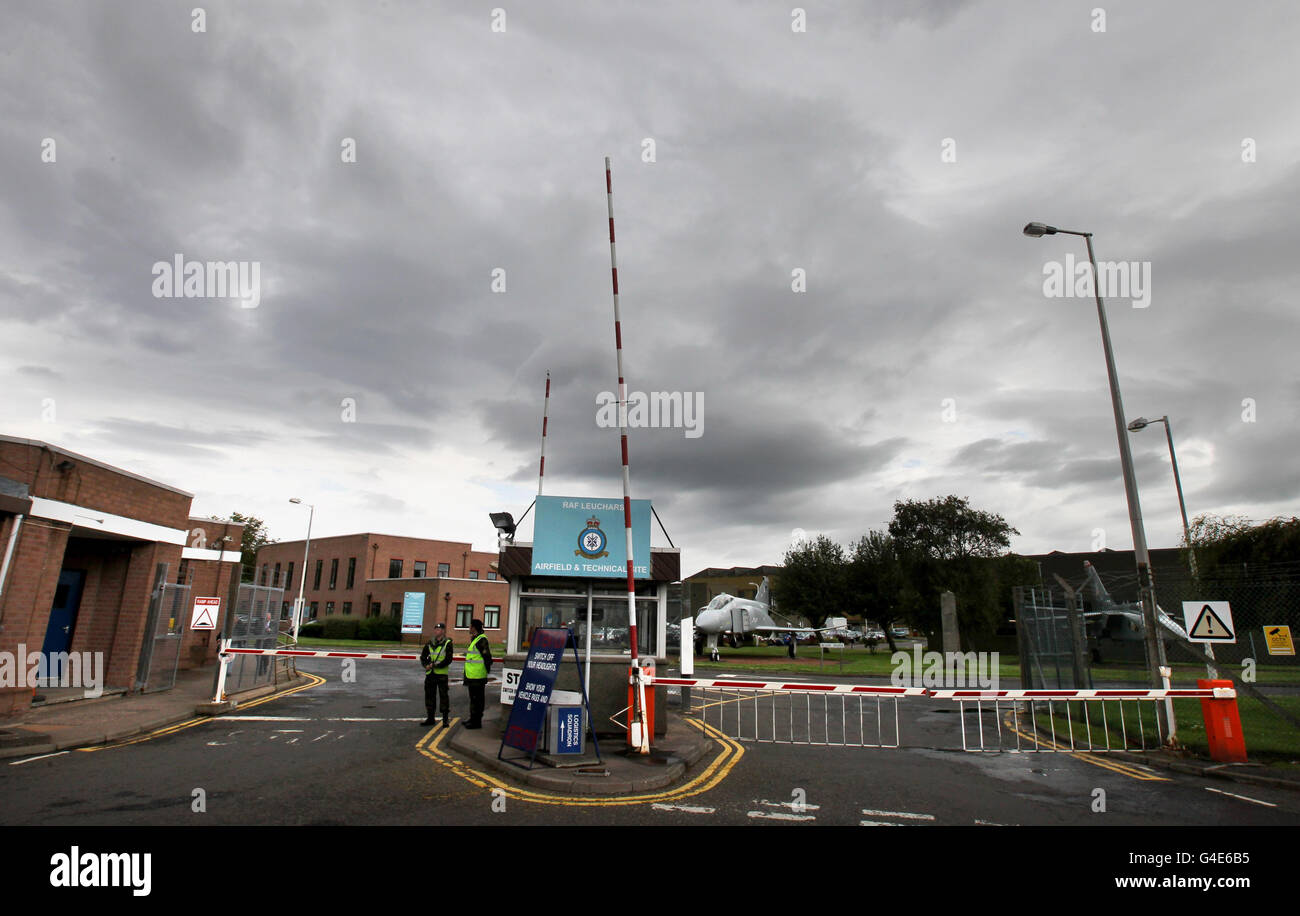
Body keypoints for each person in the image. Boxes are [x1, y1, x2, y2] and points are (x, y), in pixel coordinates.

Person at [420, 622, 453, 727]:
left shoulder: (448, 643)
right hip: (430, 674)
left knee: (444, 697)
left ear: (443, 631)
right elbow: (423, 656)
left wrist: (437, 665)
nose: (436, 631)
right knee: (429, 696)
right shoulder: (430, 643)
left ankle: (445, 719)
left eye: (439, 629)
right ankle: (430, 718)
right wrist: (426, 665)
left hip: (441, 674)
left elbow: (448, 659)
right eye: (436, 629)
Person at [462, 618, 492, 729]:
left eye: (470, 626)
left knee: (477, 699)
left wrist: (486, 670)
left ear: (474, 628)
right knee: (473, 699)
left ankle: (476, 722)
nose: (469, 628)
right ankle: (472, 718)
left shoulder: (481, 640)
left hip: (478, 676)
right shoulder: (475, 639)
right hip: (472, 675)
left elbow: (487, 656)